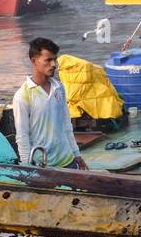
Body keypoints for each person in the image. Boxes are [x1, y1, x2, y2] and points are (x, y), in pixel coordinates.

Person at [12, 37, 86, 169]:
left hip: (67, 161)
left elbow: (66, 124)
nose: (54, 64)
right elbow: (22, 136)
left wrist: (77, 154)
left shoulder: (59, 88)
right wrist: (27, 167)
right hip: (43, 164)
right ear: (34, 61)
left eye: (54, 59)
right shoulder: (22, 96)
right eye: (48, 60)